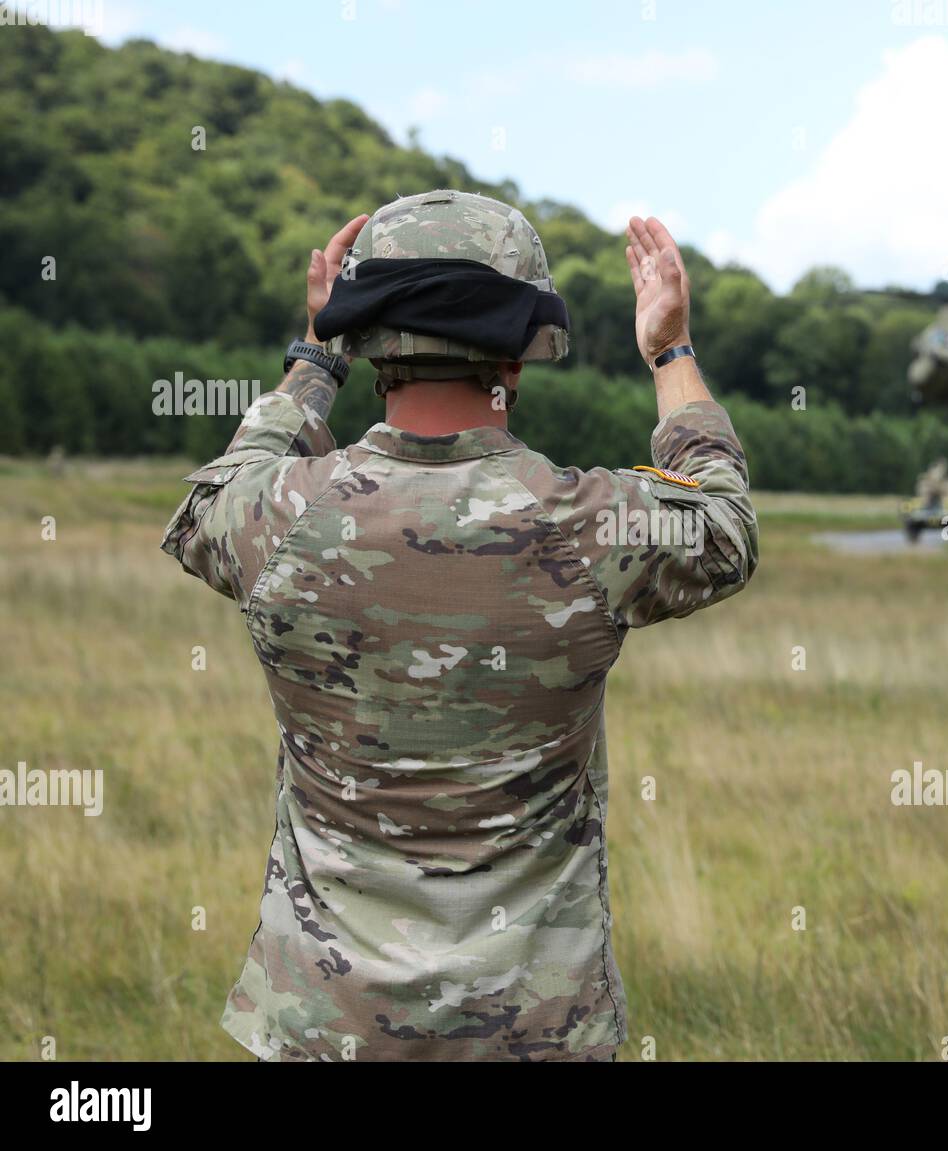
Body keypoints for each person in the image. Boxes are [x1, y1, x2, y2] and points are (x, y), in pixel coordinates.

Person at [161, 191, 758, 1061]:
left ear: (367, 341)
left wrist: (313, 360)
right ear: (517, 358)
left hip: (320, 1028)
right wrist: (670, 352)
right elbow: (726, 525)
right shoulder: (594, 525)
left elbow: (217, 488)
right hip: (531, 1031)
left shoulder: (274, 516)